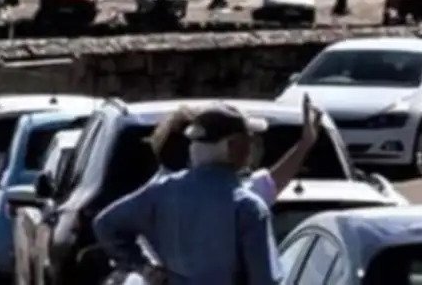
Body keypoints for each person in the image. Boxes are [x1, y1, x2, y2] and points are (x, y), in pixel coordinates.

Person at [95, 102, 282, 285]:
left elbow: (106, 224)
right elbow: (264, 279)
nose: (251, 146)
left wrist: (145, 268)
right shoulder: (248, 207)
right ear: (232, 145)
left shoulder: (162, 192)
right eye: (248, 139)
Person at [147, 95, 322, 209]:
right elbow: (267, 186)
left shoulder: (157, 192)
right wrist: (304, 145)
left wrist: (304, 144)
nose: (250, 147)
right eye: (245, 140)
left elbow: (268, 185)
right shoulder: (225, 197)